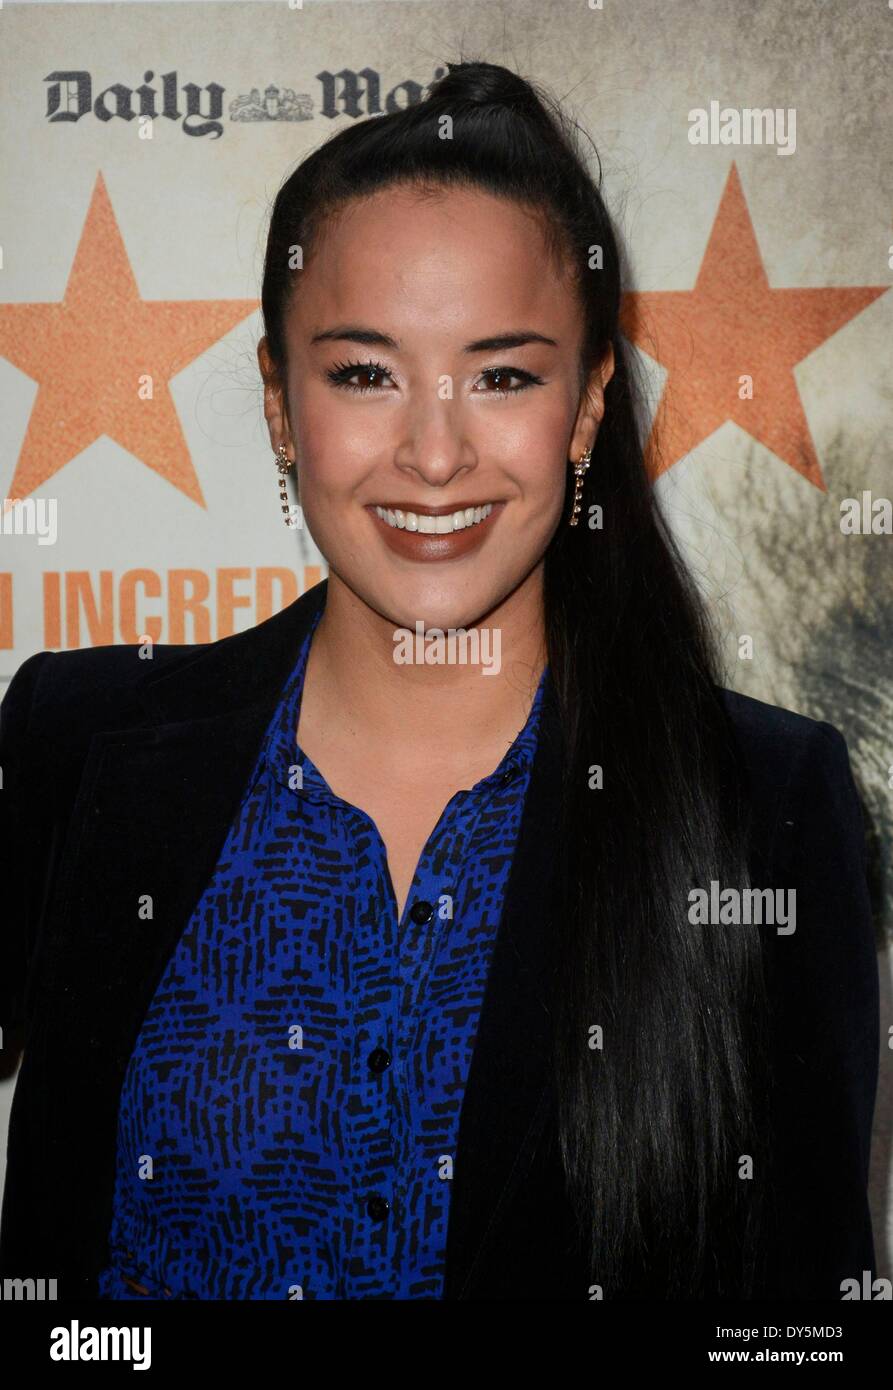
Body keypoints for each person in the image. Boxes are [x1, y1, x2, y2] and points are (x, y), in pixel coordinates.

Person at [0, 60, 879, 1301]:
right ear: (277, 403)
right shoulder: (81, 744)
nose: (431, 452)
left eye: (503, 375)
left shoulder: (762, 805)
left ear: (584, 411)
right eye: (364, 372)